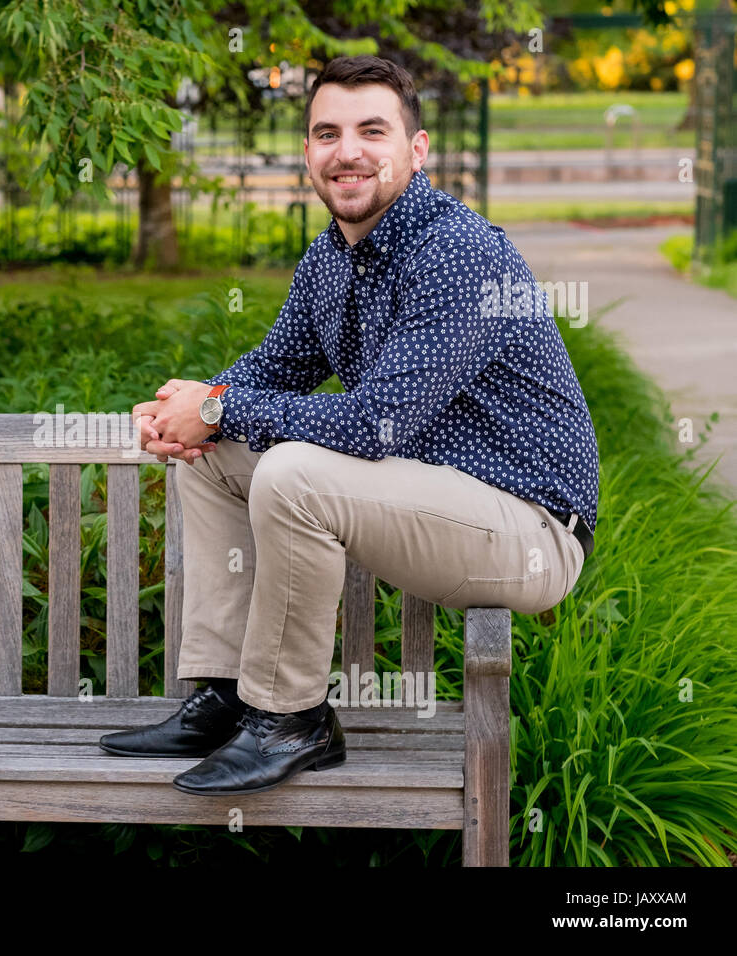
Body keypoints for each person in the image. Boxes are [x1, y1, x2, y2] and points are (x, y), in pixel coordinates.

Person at [101, 55, 599, 797]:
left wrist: (215, 406)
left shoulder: (457, 253)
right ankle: (229, 695)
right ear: (308, 153)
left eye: (373, 130)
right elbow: (275, 367)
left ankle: (292, 719)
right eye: (327, 133)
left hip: (529, 528)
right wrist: (198, 405)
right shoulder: (331, 257)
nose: (349, 151)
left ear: (416, 149)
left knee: (290, 473)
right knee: (214, 454)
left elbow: (378, 424)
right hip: (434, 497)